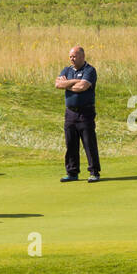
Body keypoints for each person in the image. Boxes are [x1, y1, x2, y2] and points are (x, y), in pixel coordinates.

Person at [55, 44, 101, 182]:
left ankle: (94, 172)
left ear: (82, 56)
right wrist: (74, 81)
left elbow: (83, 87)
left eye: (74, 56)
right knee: (71, 143)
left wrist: (67, 84)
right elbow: (58, 84)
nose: (72, 59)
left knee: (89, 143)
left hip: (85, 112)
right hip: (70, 113)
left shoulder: (90, 70)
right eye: (70, 56)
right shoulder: (67, 70)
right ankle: (72, 172)